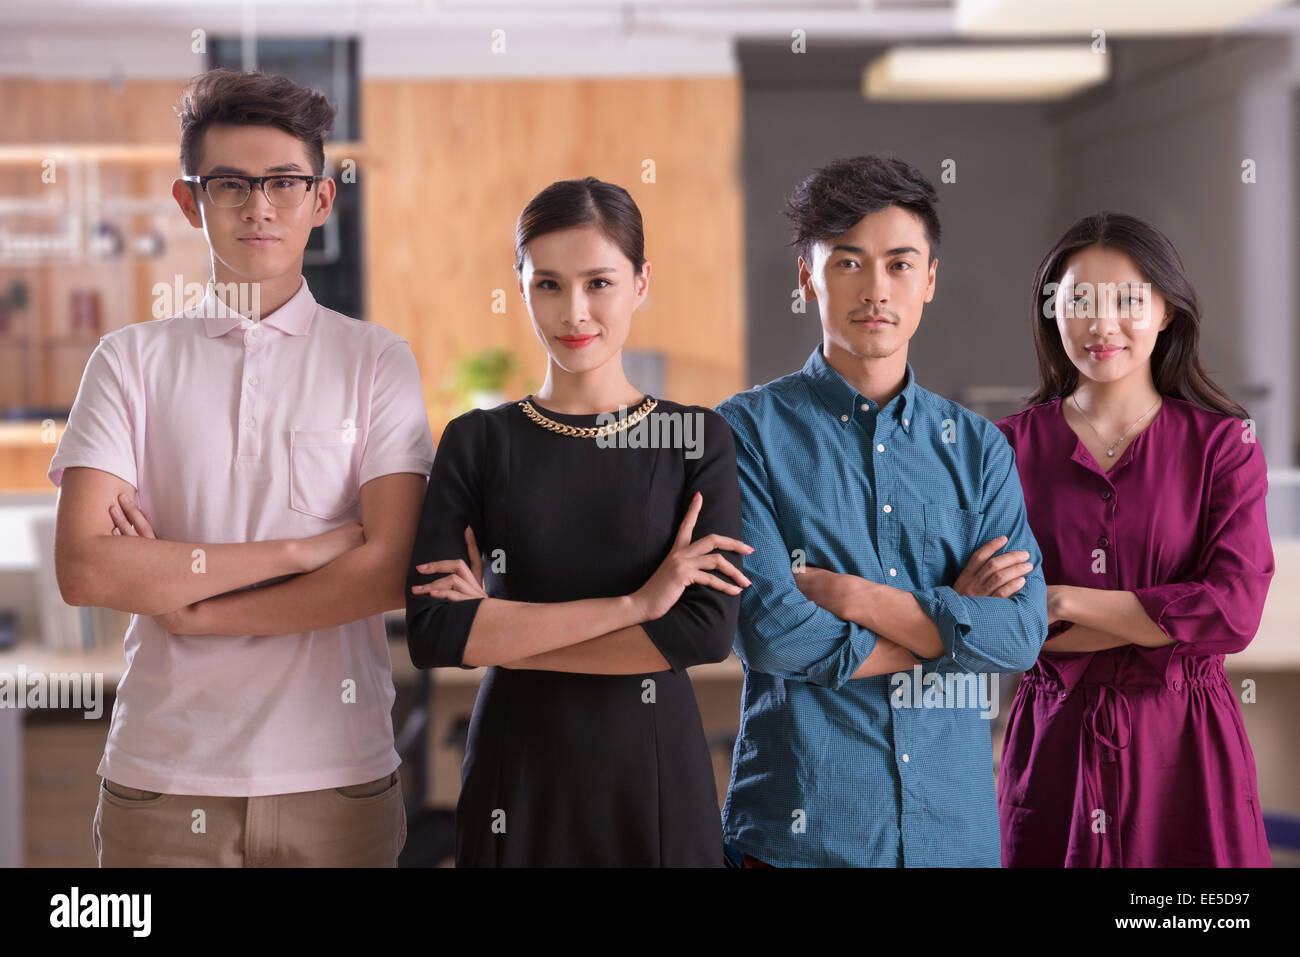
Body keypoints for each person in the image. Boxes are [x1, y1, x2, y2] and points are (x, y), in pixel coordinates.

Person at [49, 69, 433, 866]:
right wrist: (304, 550)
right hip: (161, 780)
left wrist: (197, 607)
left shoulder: (377, 362)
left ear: (321, 201)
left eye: (284, 182)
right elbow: (87, 568)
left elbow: (390, 567)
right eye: (230, 184)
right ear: (190, 202)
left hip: (338, 782)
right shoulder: (127, 361)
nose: (259, 207)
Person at [405, 176, 749, 867]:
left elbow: (703, 633)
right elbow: (436, 632)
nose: (575, 311)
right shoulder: (477, 441)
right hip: (518, 770)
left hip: (651, 772)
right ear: (521, 285)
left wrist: (498, 635)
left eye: (599, 283)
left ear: (641, 283)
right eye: (549, 285)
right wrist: (636, 606)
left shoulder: (695, 438)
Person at [714, 155, 1047, 867]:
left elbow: (1020, 635)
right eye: (848, 263)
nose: (876, 290)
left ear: (930, 279)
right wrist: (950, 625)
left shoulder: (979, 448)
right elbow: (772, 633)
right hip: (805, 838)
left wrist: (854, 597)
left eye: (900, 264)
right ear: (807, 277)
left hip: (953, 838)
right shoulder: (743, 432)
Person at [995, 211, 1274, 867]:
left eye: (1127, 299)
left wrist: (1062, 602)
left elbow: (1233, 612)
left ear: (1166, 310)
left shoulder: (1224, 446)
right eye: (1079, 302)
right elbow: (998, 622)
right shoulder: (1003, 449)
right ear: (1052, 312)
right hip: (1054, 745)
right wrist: (1162, 623)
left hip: (1187, 748)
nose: (1103, 324)